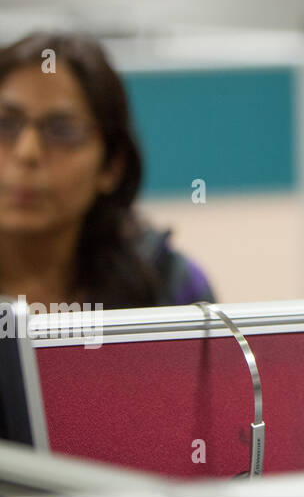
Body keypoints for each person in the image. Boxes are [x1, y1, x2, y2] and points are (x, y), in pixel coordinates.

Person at [0, 33, 214, 309]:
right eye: (5, 124)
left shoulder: (169, 287)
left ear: (112, 166)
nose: (27, 152)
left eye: (62, 130)